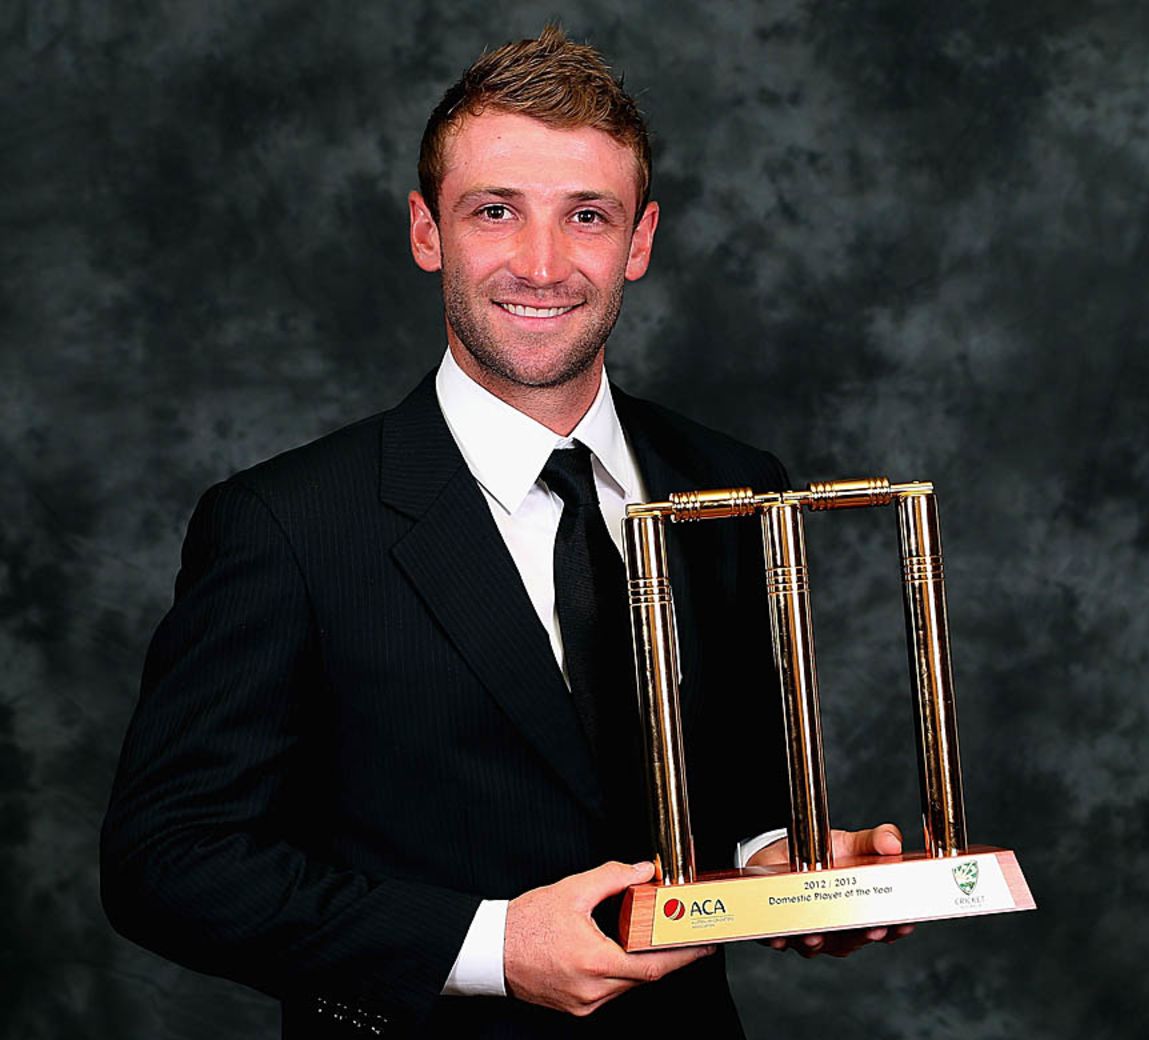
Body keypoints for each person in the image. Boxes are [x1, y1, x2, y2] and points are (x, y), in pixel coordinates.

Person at [100, 25, 907, 1038]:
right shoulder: (284, 526)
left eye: (586, 215)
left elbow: (729, 794)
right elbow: (166, 862)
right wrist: (484, 946)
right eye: (495, 211)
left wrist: (779, 872)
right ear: (427, 231)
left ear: (640, 241)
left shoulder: (734, 483)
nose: (541, 263)